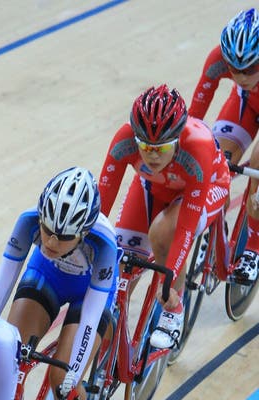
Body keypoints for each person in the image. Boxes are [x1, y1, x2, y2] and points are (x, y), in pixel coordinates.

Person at [0, 166, 119, 400]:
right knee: (6, 352)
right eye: (47, 230)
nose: (51, 241)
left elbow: (90, 321)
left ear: (84, 232)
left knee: (63, 380)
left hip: (89, 295)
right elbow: (1, 288)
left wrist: (73, 372)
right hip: (46, 275)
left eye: (65, 237)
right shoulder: (28, 222)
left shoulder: (103, 245)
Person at [98, 84, 230, 349]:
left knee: (162, 233)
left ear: (178, 139)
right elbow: (101, 205)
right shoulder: (125, 139)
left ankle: (174, 310)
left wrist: (168, 278)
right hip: (153, 186)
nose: (152, 154)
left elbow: (184, 229)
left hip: (206, 187)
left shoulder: (197, 148)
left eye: (161, 148)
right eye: (145, 147)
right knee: (118, 274)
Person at [189, 8, 259, 282]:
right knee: (216, 158)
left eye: (249, 69)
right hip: (245, 104)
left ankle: (253, 249)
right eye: (234, 69)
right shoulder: (217, 59)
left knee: (257, 167)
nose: (241, 76)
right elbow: (193, 118)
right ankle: (215, 224)